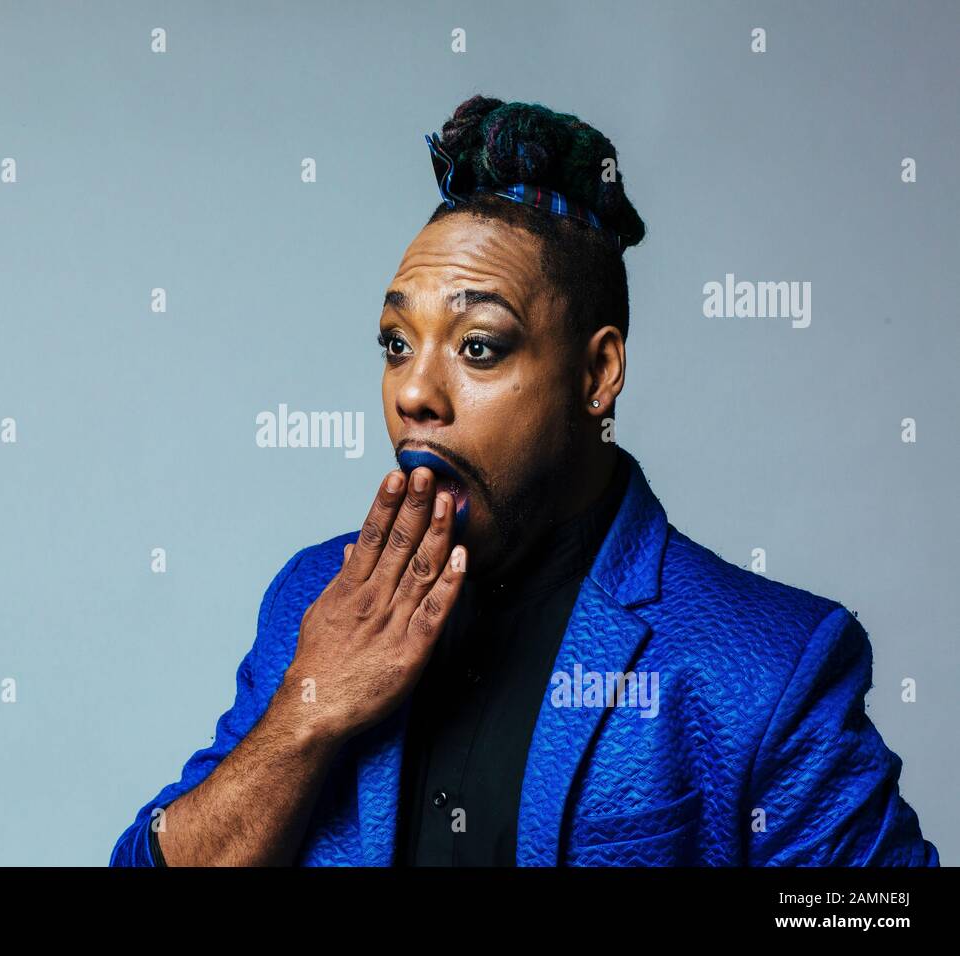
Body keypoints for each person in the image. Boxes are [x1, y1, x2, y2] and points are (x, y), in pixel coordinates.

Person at [110, 95, 939, 866]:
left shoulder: (769, 666)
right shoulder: (311, 603)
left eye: (478, 347)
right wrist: (308, 710)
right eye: (397, 343)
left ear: (598, 373)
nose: (413, 392)